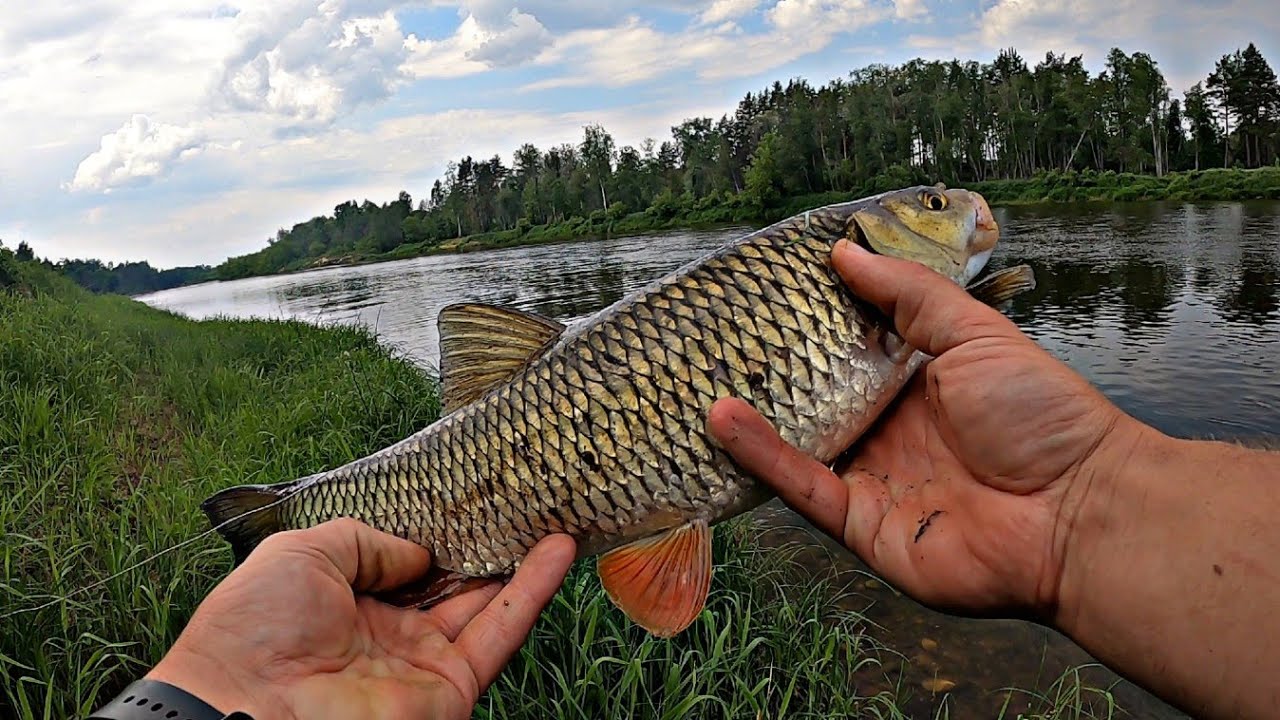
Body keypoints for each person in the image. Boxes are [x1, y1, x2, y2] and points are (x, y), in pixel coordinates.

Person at [90, 240, 1280, 720]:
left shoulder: (899, 327)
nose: (957, 221)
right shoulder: (826, 282)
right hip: (505, 464)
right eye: (926, 215)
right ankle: (279, 519)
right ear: (874, 245)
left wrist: (1087, 503)